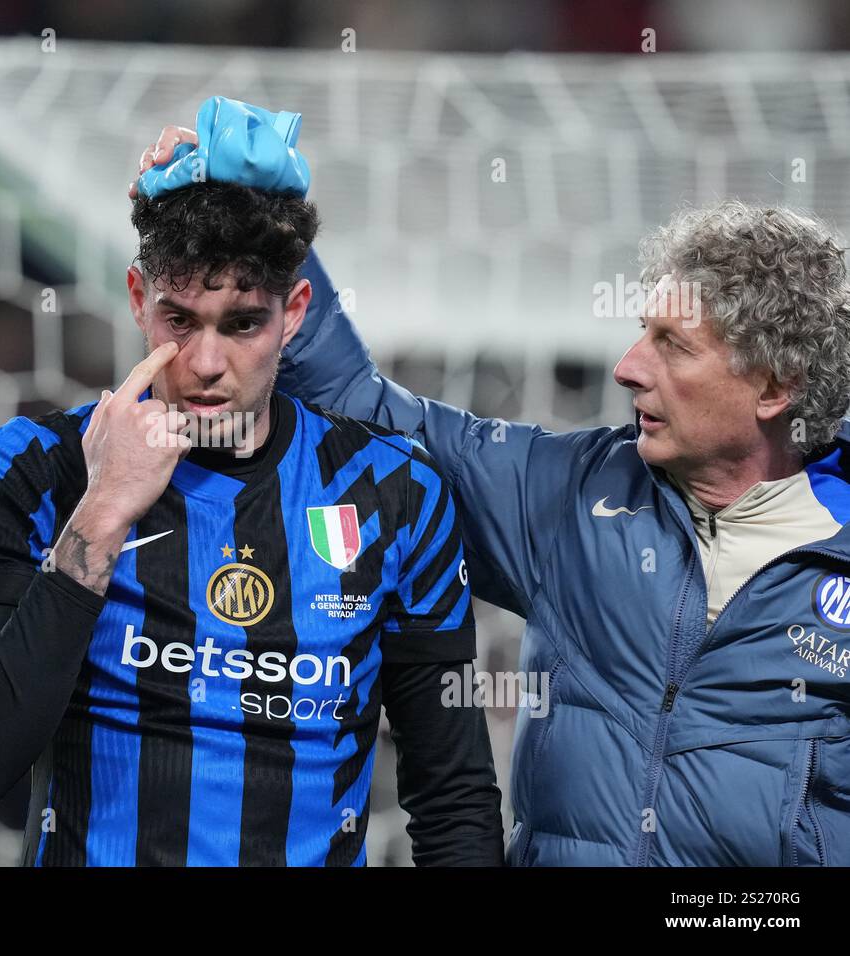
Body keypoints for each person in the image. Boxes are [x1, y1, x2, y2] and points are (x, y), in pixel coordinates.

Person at [137, 120, 850, 866]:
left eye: (673, 346)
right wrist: (260, 205)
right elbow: (362, 406)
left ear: (775, 386)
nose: (628, 367)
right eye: (643, 332)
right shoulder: (575, 495)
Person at [0, 99, 503, 866]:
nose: (204, 363)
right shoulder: (40, 465)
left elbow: (453, 796)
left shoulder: (393, 492)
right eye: (179, 320)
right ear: (138, 299)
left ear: (294, 313)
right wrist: (101, 514)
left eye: (241, 323)